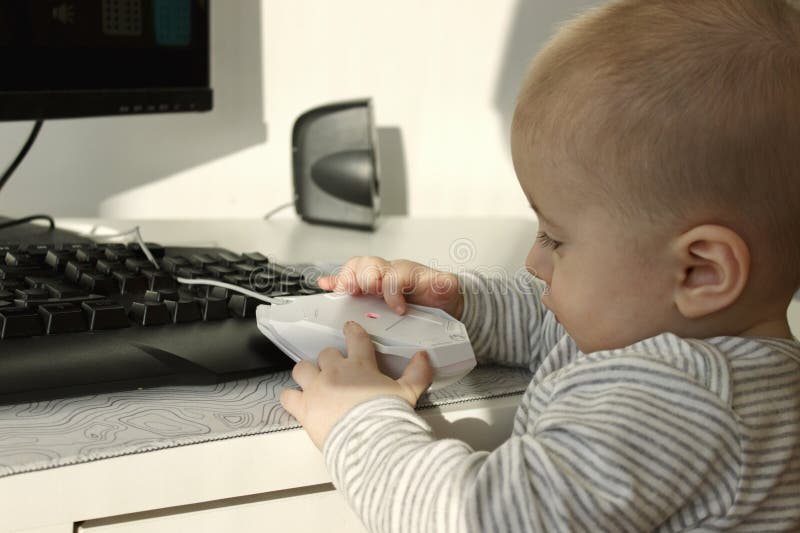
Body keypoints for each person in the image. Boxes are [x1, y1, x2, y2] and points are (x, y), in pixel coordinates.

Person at [279, 0, 800, 531]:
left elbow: (480, 519)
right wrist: (454, 301)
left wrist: (359, 418)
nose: (533, 260)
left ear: (701, 271)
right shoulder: (670, 336)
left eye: (556, 238)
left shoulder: (674, 402)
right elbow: (546, 323)